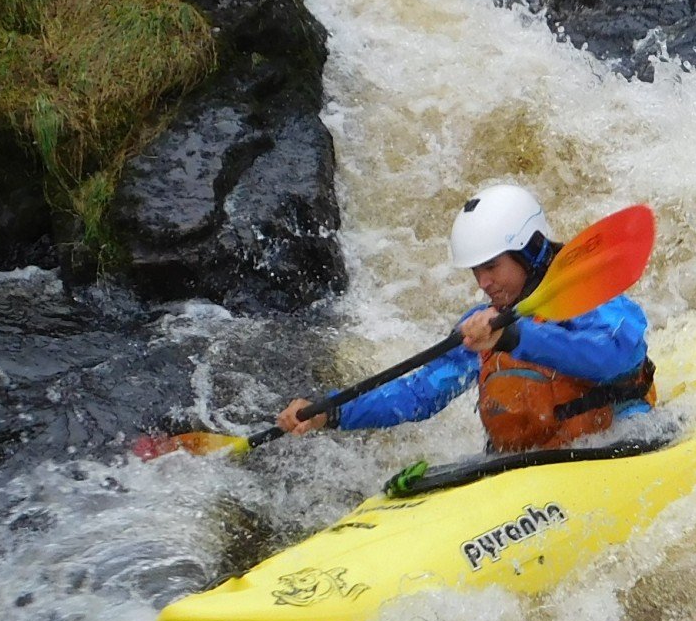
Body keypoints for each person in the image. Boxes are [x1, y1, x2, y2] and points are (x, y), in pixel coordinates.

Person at [276, 183, 653, 453]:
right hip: (536, 466)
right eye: (476, 270)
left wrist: (514, 339)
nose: (483, 282)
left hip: (618, 444)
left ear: (530, 250)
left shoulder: (593, 298)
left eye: (491, 266)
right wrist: (332, 412)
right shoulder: (484, 325)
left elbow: (619, 356)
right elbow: (418, 394)